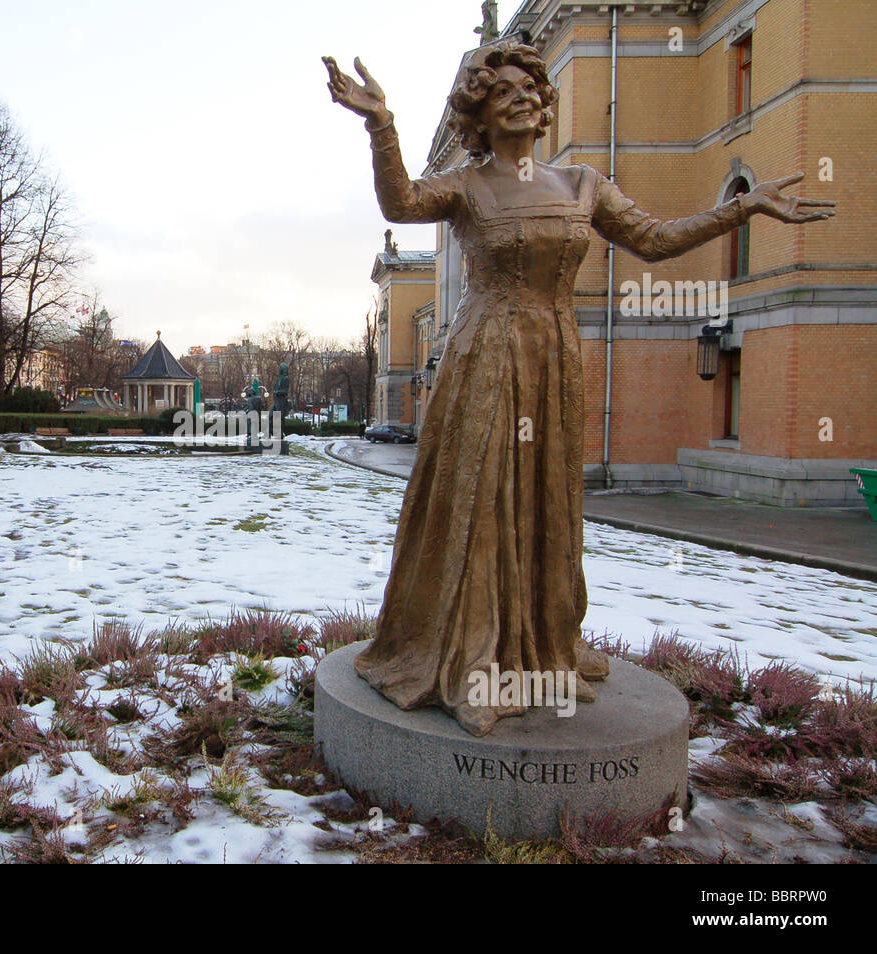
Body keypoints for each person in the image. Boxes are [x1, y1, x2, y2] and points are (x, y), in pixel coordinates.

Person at [323, 41, 834, 737]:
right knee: (483, 493)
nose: (524, 98)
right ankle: (472, 657)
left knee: (545, 500)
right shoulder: (468, 187)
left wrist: (742, 209)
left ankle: (538, 646)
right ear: (480, 112)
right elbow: (403, 199)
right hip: (489, 350)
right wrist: (381, 124)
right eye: (505, 90)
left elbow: (654, 239)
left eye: (532, 87)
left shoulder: (583, 183)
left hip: (556, 355)